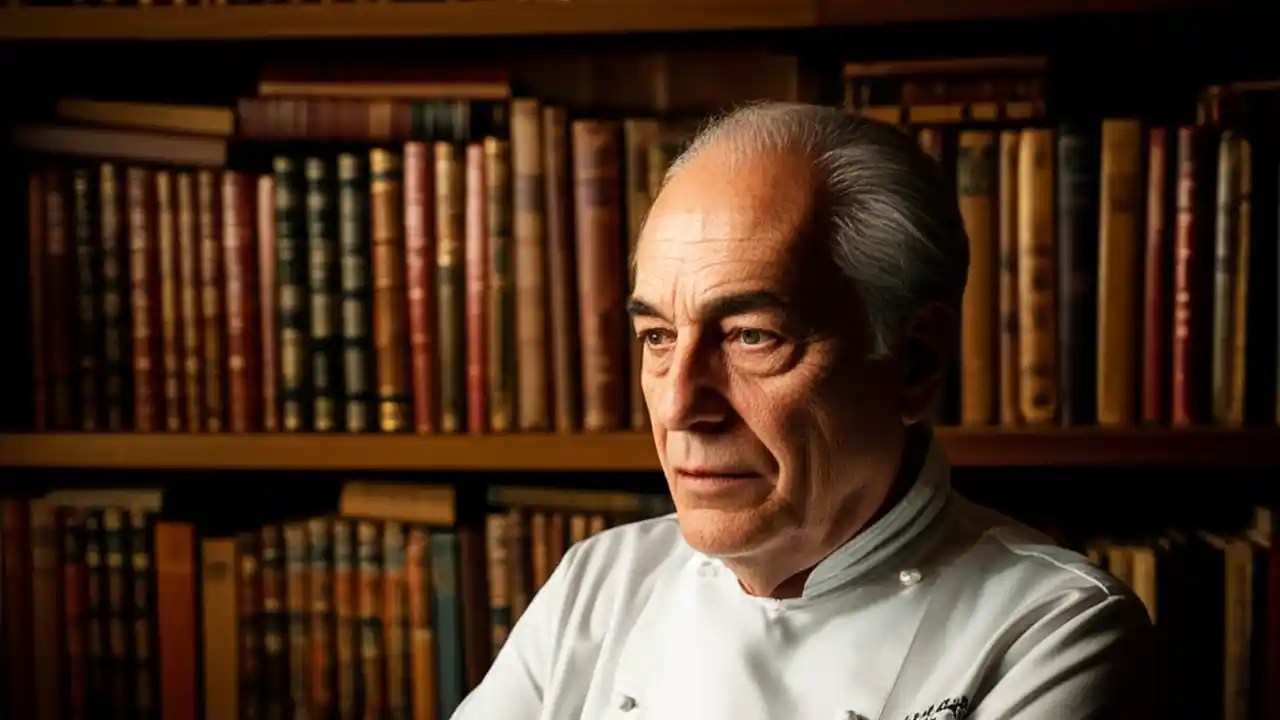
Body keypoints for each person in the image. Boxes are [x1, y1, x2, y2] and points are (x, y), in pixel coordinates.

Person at [451, 102, 1156, 719]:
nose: (679, 404)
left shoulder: (1051, 631)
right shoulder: (598, 583)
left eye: (752, 337)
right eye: (658, 337)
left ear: (915, 364)